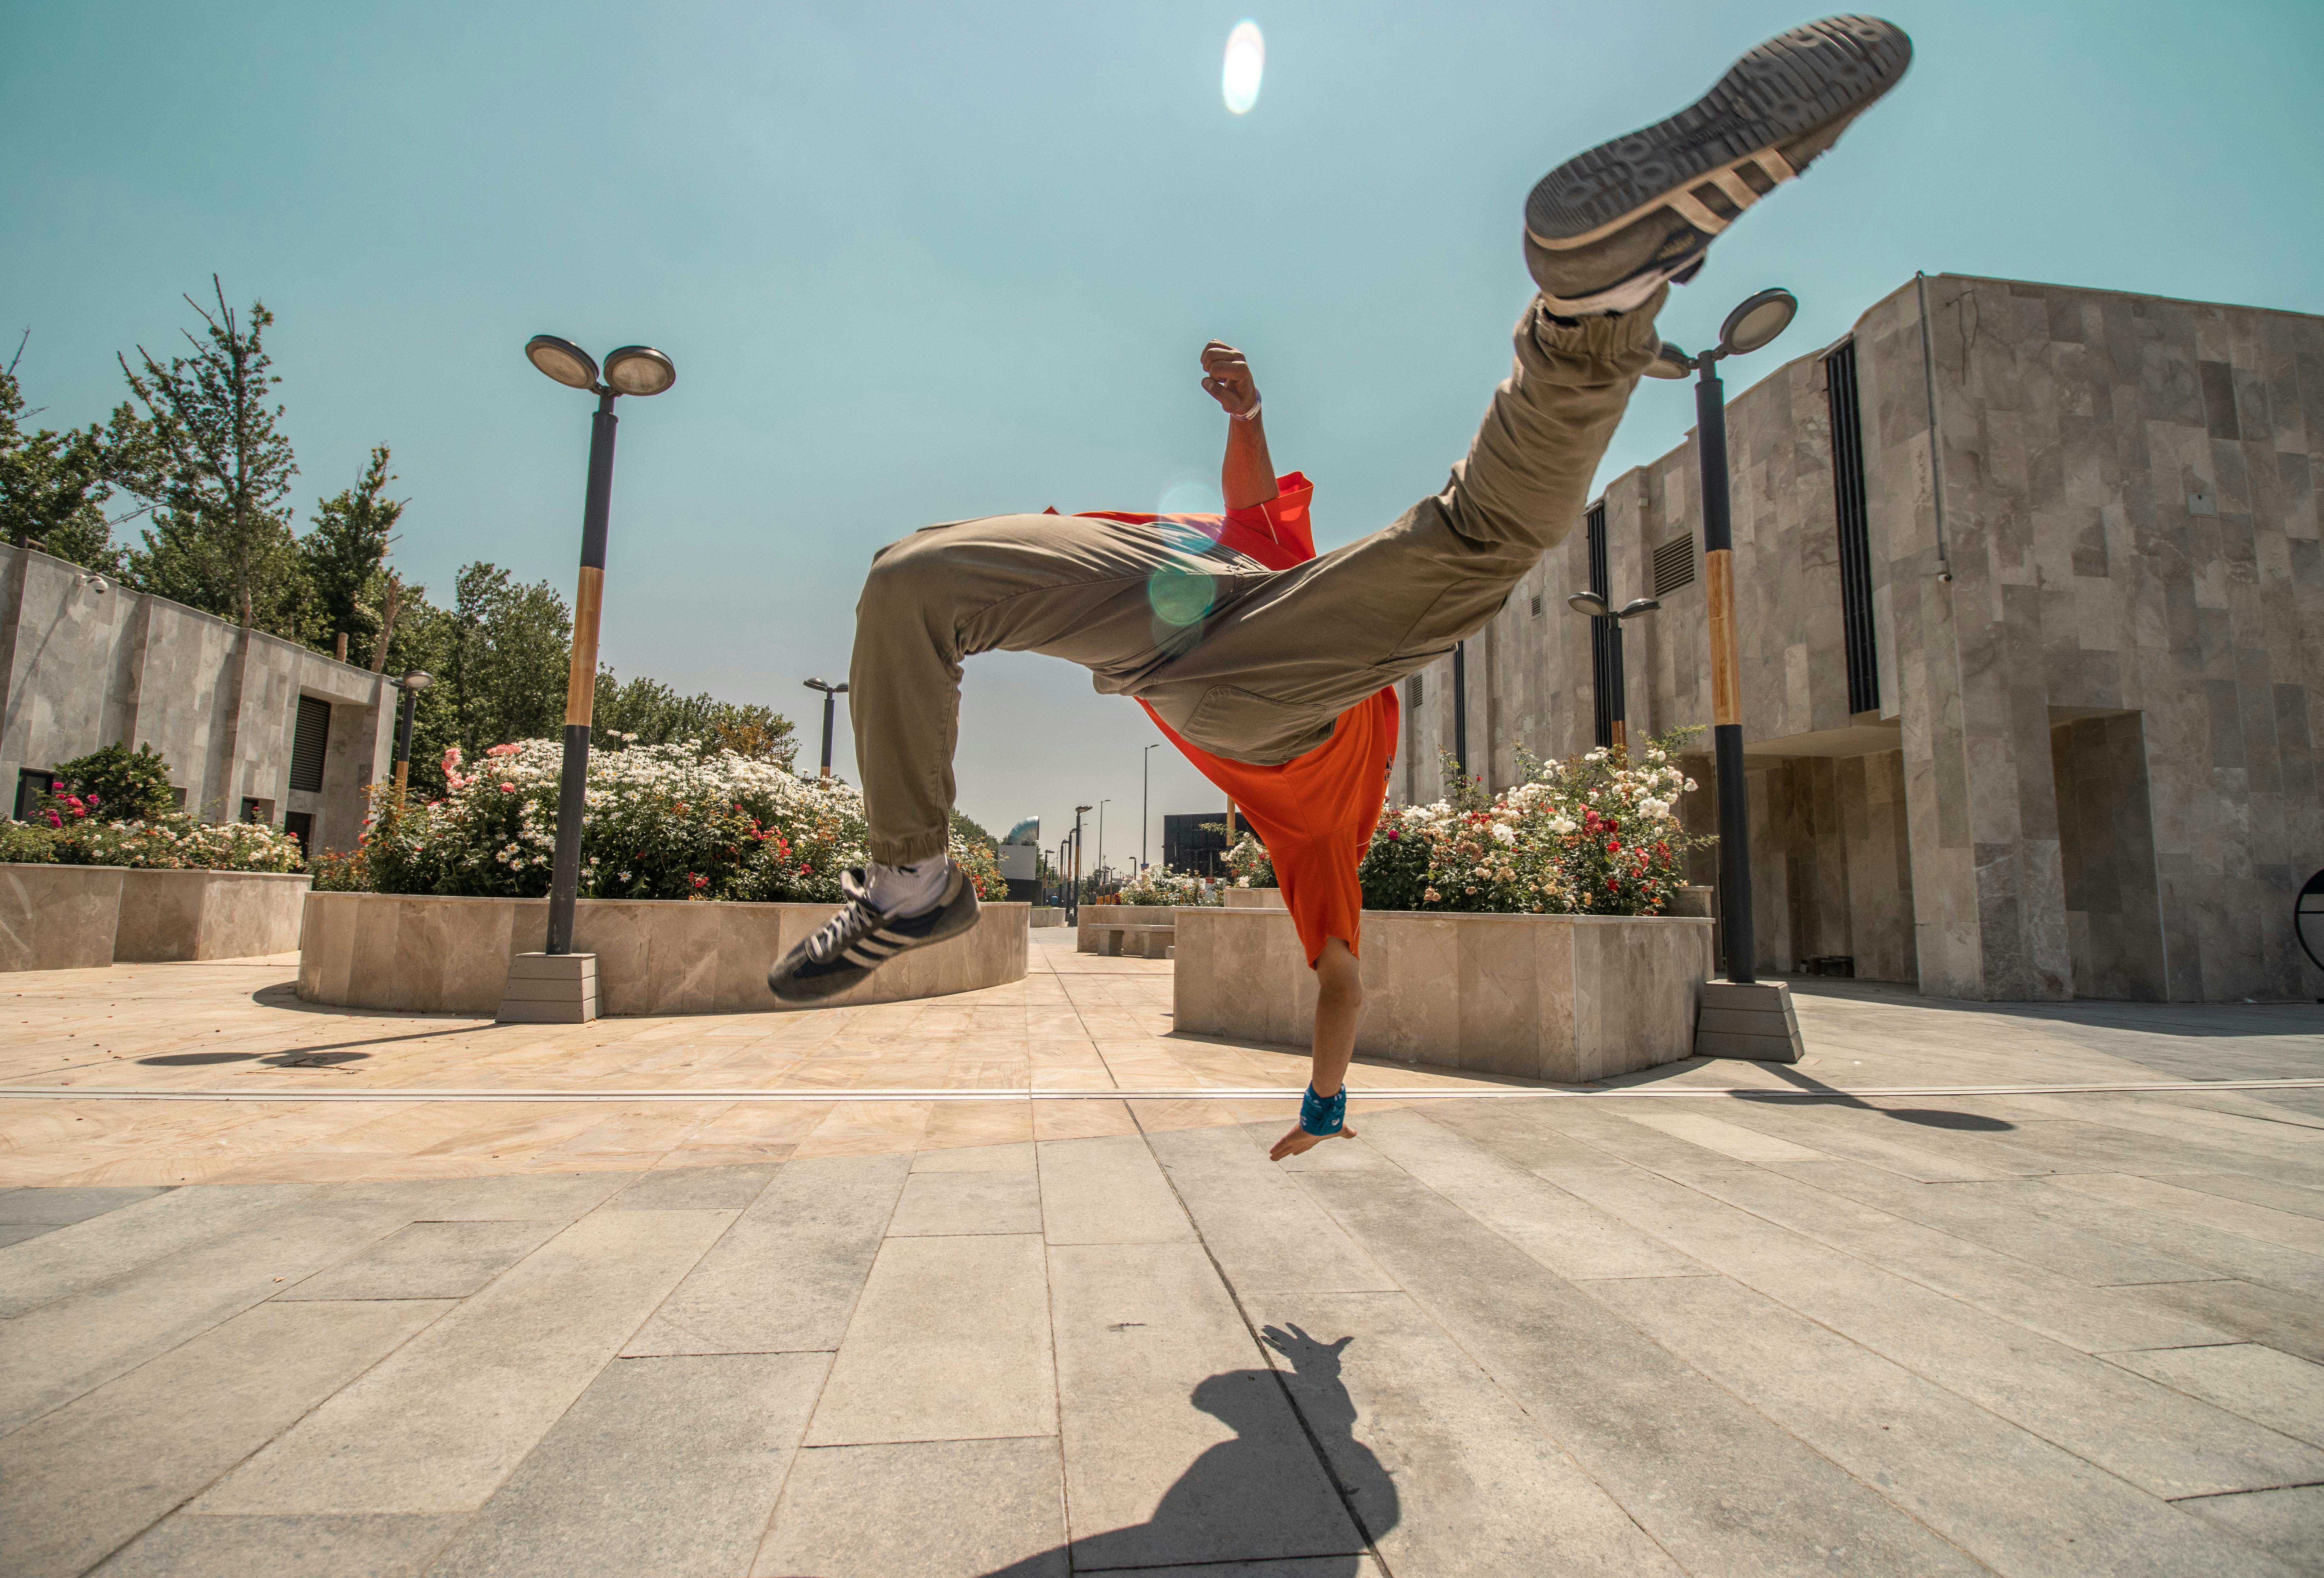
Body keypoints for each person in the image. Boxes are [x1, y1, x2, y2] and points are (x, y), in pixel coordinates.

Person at [771, 16, 1913, 1161]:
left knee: (1473, 537)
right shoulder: (1333, 785)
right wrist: (1251, 421)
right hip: (1165, 595)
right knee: (910, 579)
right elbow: (1256, 523)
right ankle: (915, 879)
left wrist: (1325, 1102)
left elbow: (1341, 984)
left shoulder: (1317, 843)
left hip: (1251, 698)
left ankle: (1595, 310)